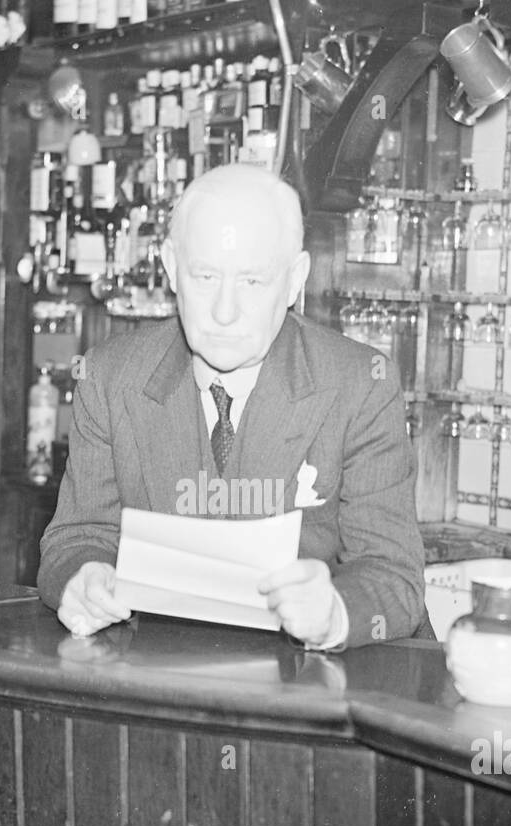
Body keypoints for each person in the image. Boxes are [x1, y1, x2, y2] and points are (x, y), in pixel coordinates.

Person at [37, 164, 428, 650]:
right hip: (160, 680)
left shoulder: (359, 385)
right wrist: (83, 578)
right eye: (205, 277)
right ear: (170, 268)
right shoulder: (110, 377)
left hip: (309, 693)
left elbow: (397, 578)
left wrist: (334, 613)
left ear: (294, 280)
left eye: (252, 282)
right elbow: (76, 536)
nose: (224, 312)